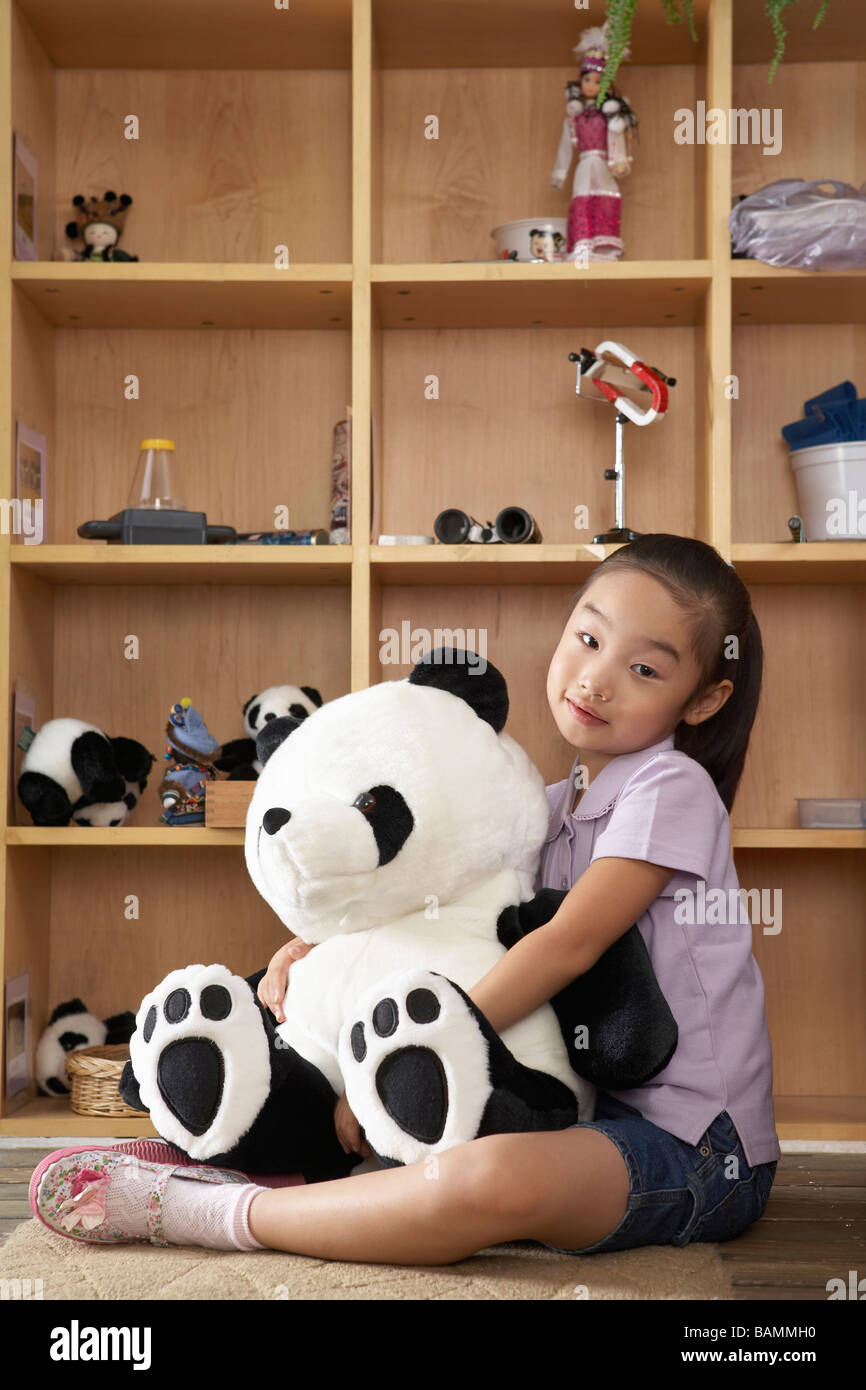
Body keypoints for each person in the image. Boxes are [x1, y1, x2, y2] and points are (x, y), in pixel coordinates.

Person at [31, 533, 780, 1264]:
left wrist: (392, 1065)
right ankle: (243, 1153)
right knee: (395, 1117)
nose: (596, 679)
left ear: (705, 699)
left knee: (478, 1182)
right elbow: (439, 909)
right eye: (587, 639)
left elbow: (567, 944)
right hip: (578, 1112)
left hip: (697, 1148)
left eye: (645, 669)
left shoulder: (670, 787)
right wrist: (318, 947)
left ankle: (219, 1211)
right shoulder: (542, 807)